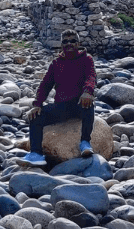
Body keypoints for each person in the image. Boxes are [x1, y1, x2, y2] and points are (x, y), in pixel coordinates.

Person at [23, 29, 96, 167]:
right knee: (35, 117)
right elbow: (45, 85)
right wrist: (37, 104)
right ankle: (36, 154)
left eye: (72, 41)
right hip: (62, 106)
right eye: (65, 41)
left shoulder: (86, 59)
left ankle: (85, 142)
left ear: (78, 43)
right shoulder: (56, 64)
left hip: (79, 104)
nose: (69, 44)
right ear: (61, 45)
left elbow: (91, 77)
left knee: (89, 104)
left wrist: (87, 92)